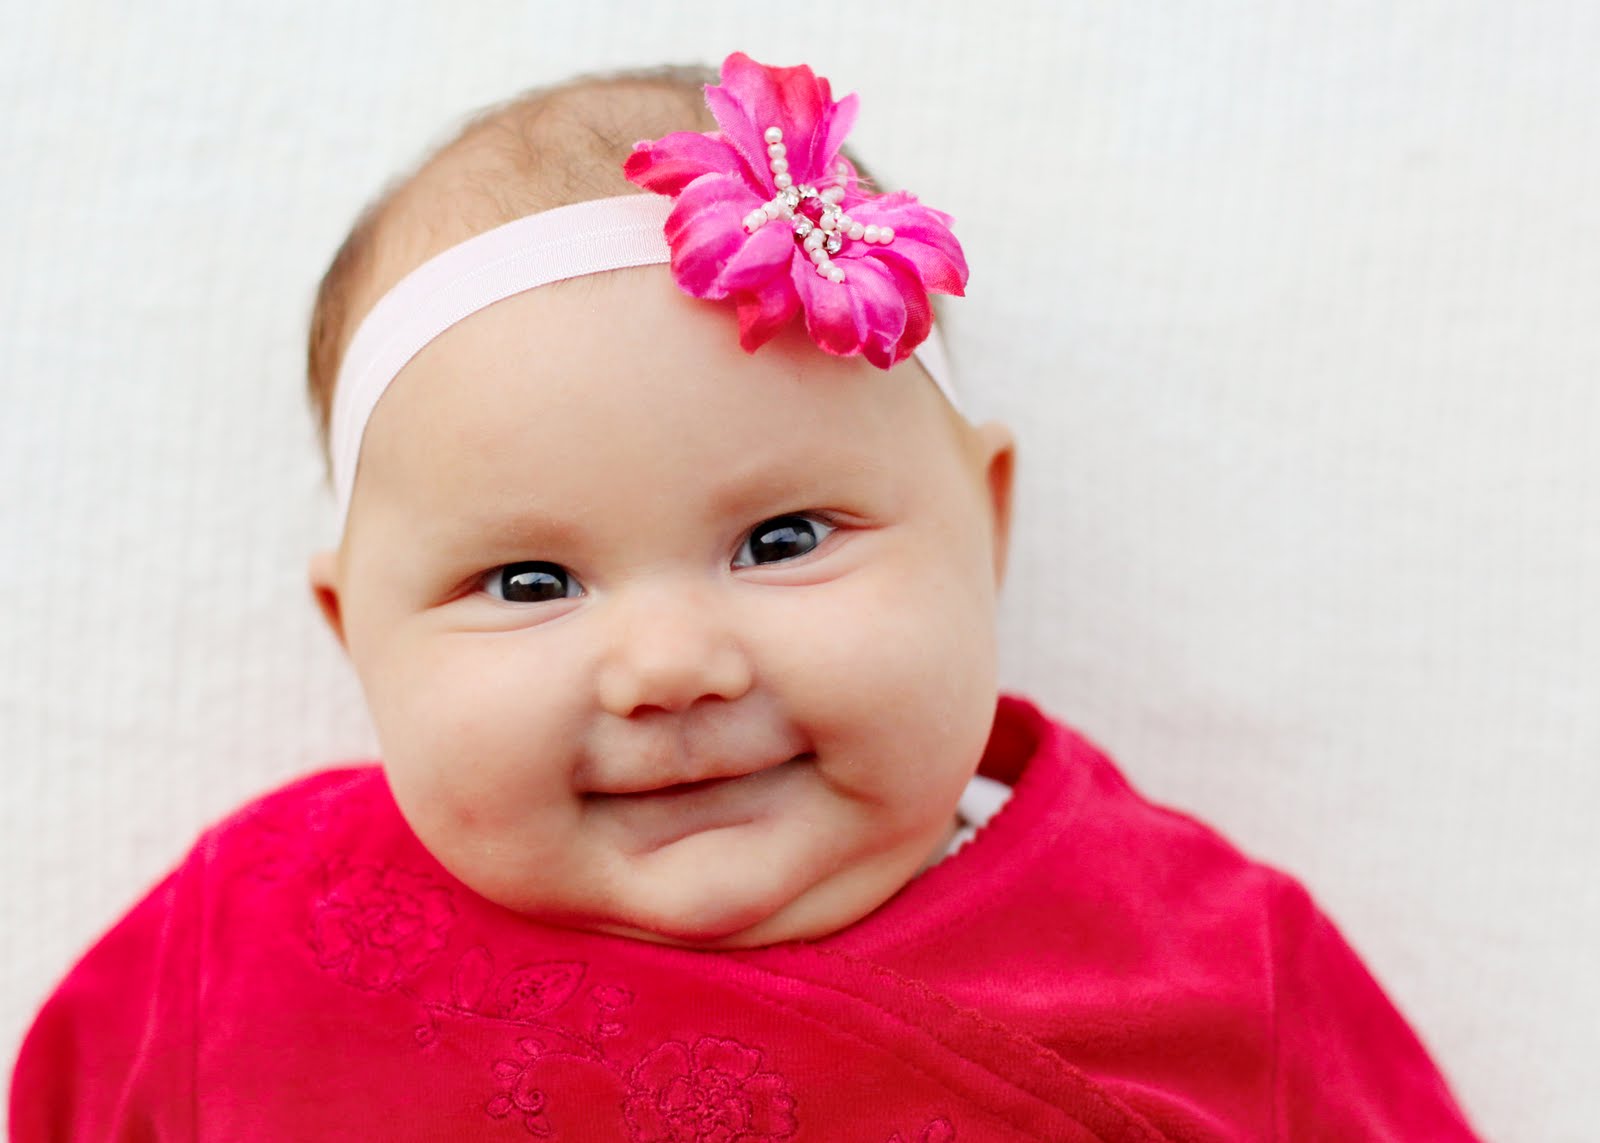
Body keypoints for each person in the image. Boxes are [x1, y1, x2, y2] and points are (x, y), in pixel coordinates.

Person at [9, 53, 1482, 1141]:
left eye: (782, 542)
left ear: (987, 522)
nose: (669, 664)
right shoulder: (255, 941)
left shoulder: (1202, 965)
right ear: (359, 637)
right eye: (529, 581)